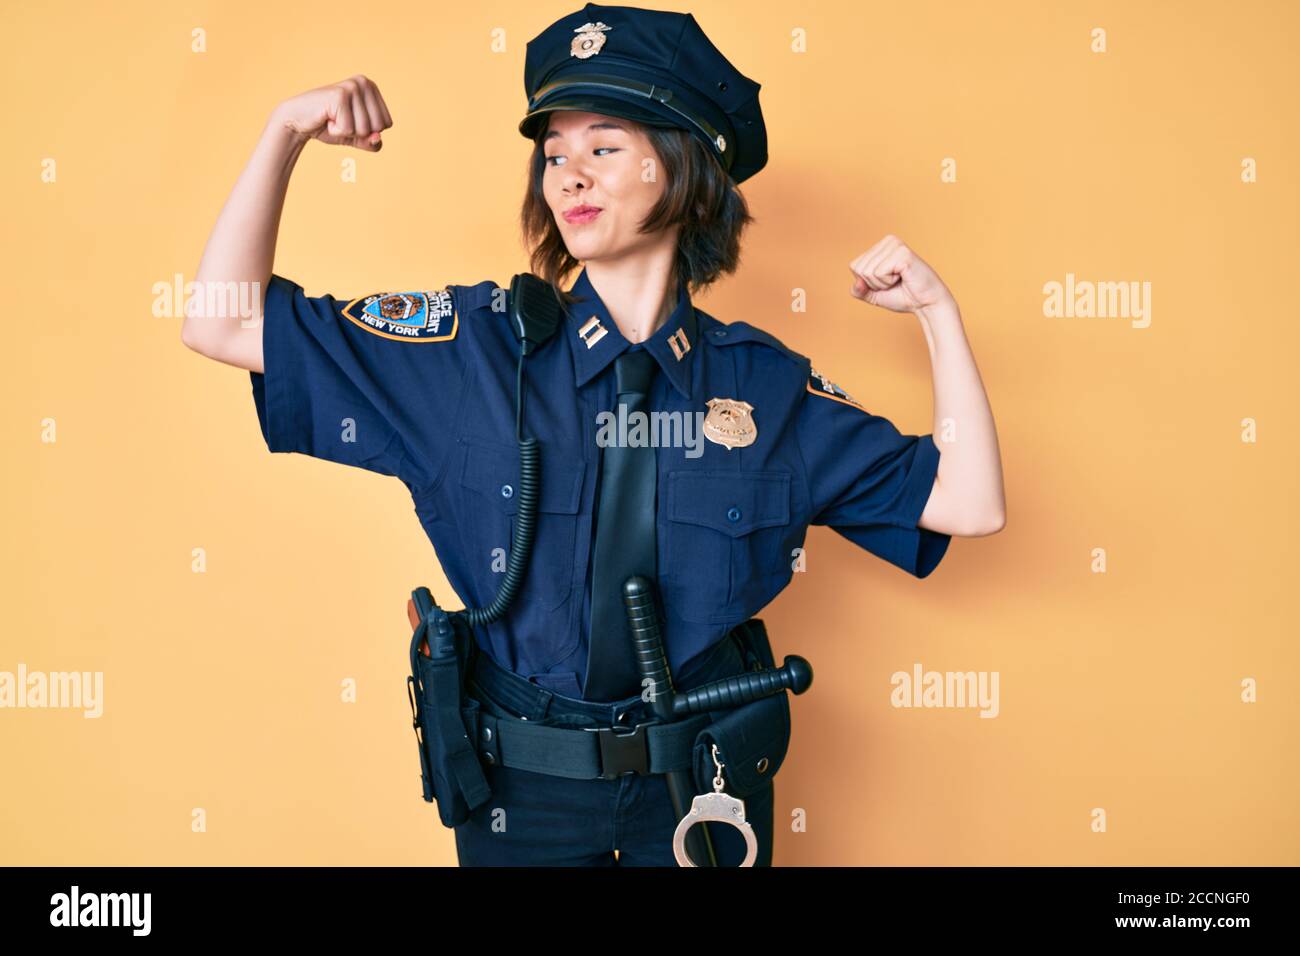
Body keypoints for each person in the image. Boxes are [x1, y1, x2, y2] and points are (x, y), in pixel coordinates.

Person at [181, 3, 1006, 866]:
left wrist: (937, 315)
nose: (569, 175)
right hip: (517, 803)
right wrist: (283, 135)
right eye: (554, 155)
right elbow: (221, 325)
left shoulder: (766, 388)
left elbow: (970, 503)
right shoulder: (471, 347)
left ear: (683, 167)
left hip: (703, 798)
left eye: (603, 148)